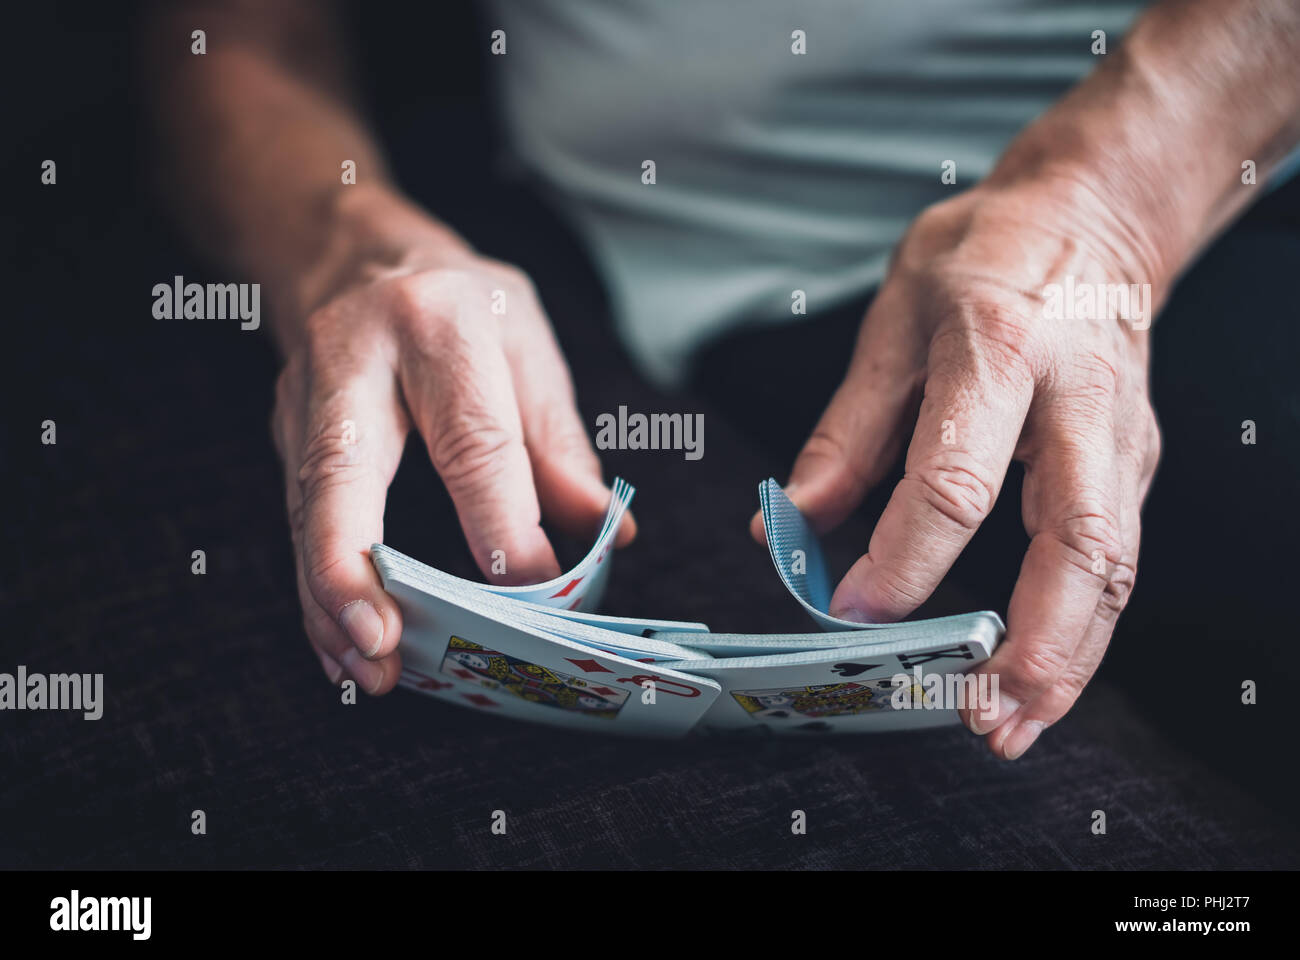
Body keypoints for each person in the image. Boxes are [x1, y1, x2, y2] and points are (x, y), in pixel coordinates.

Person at [145, 0, 1300, 762]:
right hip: (658, 281)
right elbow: (231, 37)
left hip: (1198, 210)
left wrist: (1107, 205)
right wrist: (341, 240)